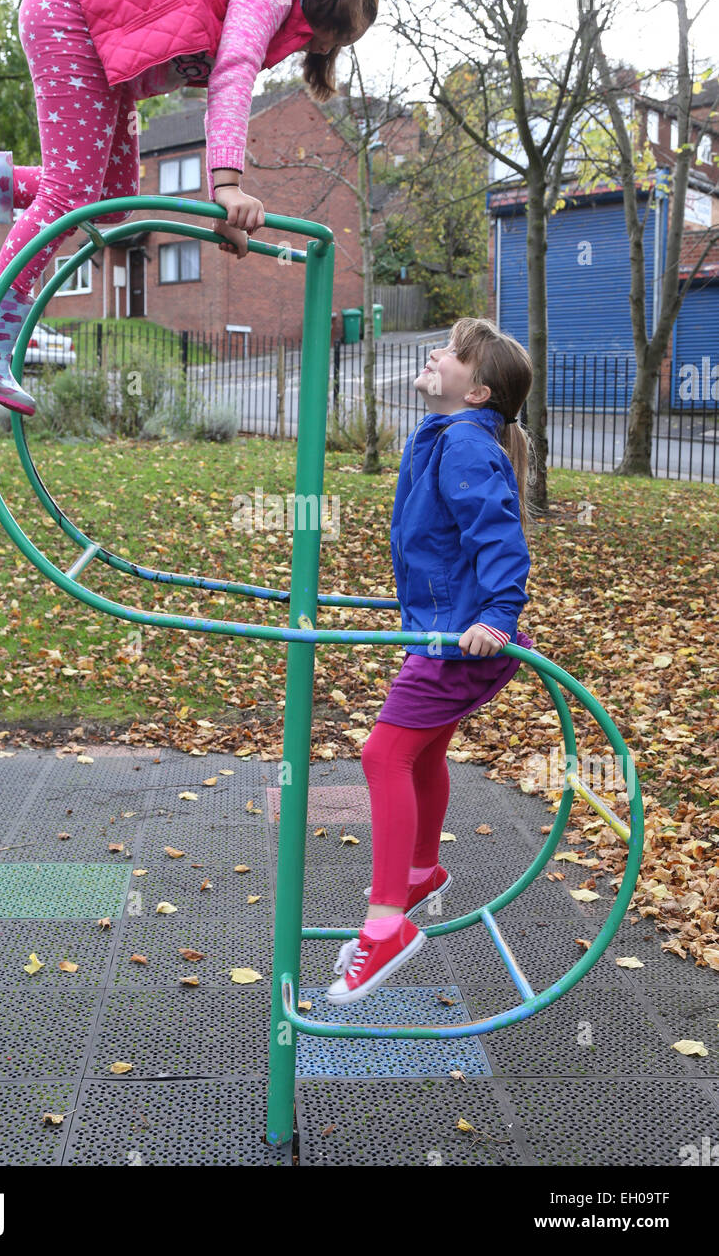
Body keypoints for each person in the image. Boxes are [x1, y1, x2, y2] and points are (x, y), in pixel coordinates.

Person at [0, 0, 377, 414]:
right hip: (73, 16)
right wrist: (228, 187)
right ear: (326, 1)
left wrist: (225, 211)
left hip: (108, 54)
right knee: (69, 194)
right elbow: (234, 67)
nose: (324, 49)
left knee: (108, 203)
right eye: (333, 36)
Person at [326, 316, 536, 1005]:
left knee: (384, 756)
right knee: (419, 756)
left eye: (449, 353)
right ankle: (418, 873)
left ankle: (387, 925)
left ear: (476, 392)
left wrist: (497, 617)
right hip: (446, 632)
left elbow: (501, 538)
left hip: (462, 642)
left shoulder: (467, 448)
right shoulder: (449, 436)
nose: (433, 354)